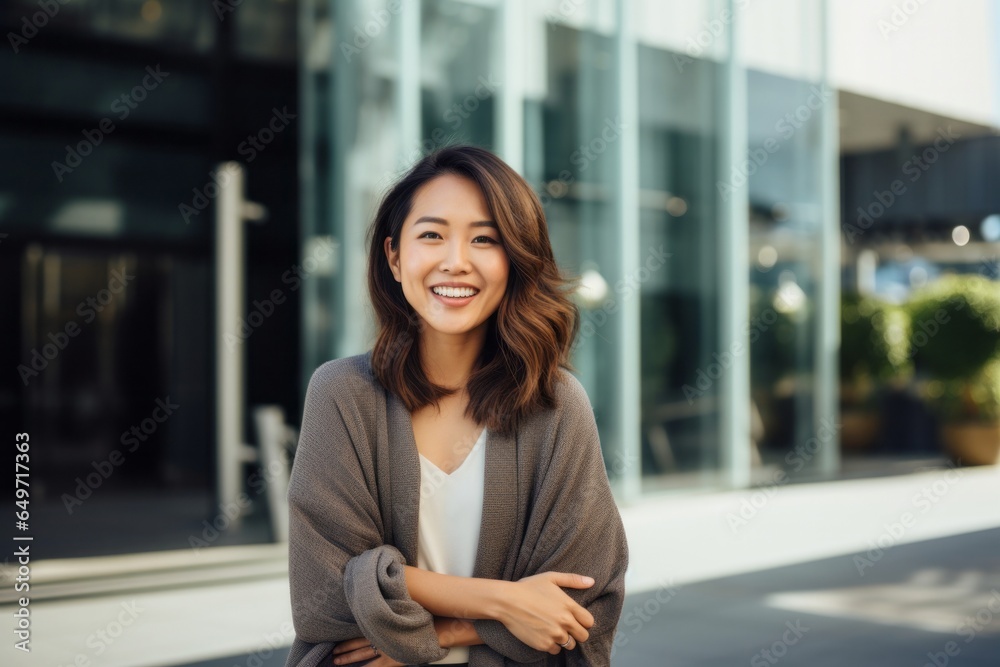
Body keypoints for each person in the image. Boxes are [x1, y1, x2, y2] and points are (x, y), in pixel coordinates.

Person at [283, 145, 629, 667]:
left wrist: (440, 634)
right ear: (394, 257)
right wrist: (508, 601)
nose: (456, 261)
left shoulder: (555, 406)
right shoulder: (341, 393)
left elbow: (581, 602)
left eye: (485, 239)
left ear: (514, 261)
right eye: (432, 235)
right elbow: (326, 592)